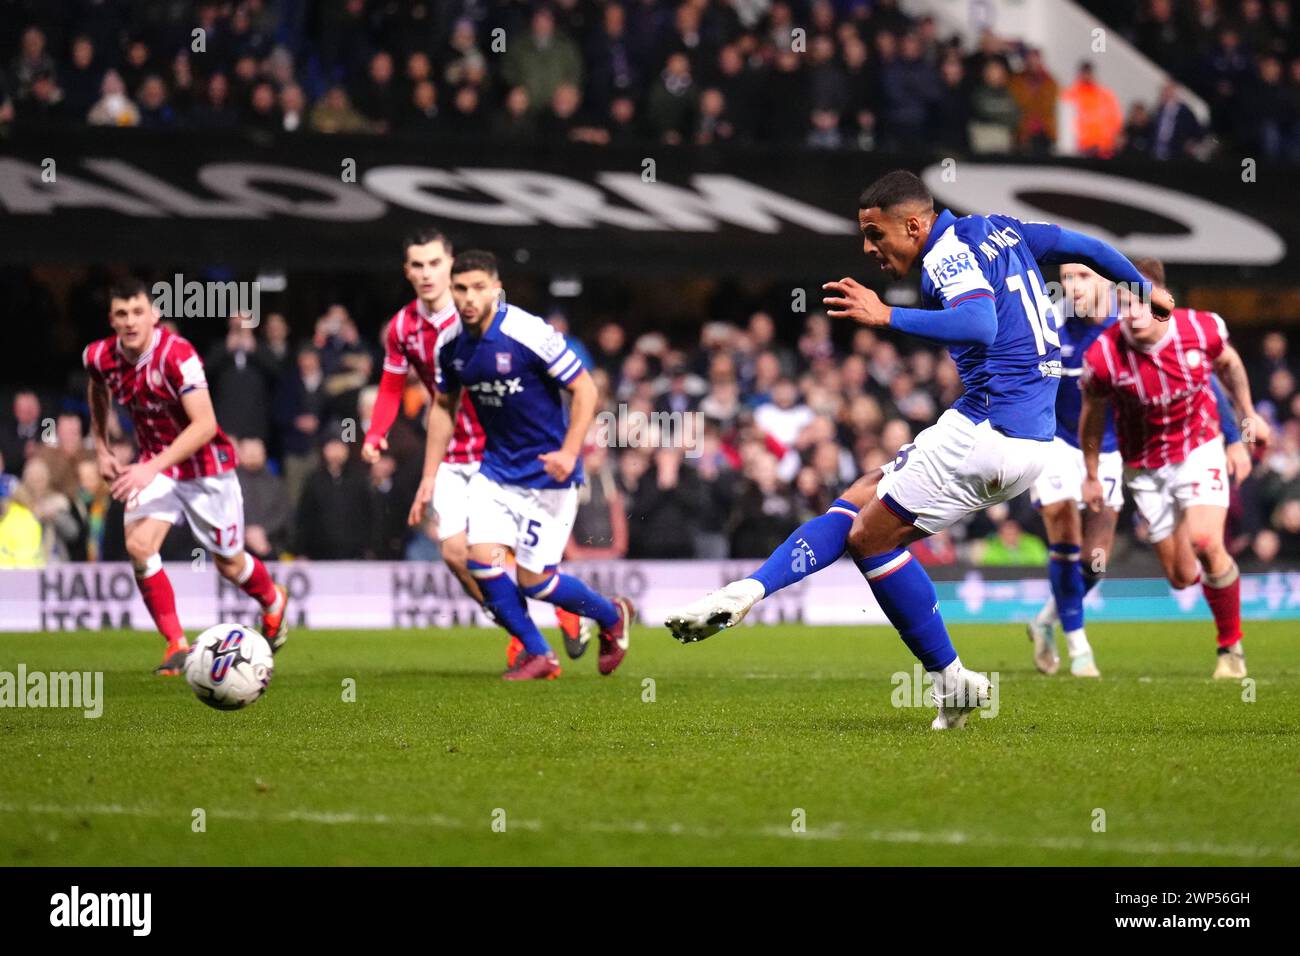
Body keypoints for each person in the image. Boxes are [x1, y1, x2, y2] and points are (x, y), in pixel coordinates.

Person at [665, 169, 1172, 729]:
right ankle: (938, 677)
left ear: (913, 224)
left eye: (874, 234)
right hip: (1030, 445)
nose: (868, 249)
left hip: (987, 429)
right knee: (865, 508)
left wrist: (887, 315)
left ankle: (761, 596)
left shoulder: (947, 252)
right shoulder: (1003, 230)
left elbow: (978, 323)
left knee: (866, 534)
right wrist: (1146, 290)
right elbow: (1089, 246)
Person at [361, 228, 586, 665]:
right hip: (449, 451)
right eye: (417, 265)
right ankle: (520, 631)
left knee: (509, 552)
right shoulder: (403, 327)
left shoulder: (478, 318)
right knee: (454, 553)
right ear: (406, 271)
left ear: (450, 265)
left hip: (495, 447)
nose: (427, 274)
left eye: (435, 264)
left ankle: (562, 605)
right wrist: (375, 432)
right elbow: (391, 386)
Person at [408, 250, 632, 681]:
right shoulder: (449, 344)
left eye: (478, 288)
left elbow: (585, 390)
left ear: (496, 288)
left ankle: (611, 615)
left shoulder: (529, 333)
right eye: (460, 288)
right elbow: (443, 406)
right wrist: (429, 475)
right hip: (495, 470)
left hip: (547, 473)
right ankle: (539, 654)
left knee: (537, 582)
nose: (469, 298)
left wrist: (570, 452)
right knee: (482, 563)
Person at [84, 278, 289, 675]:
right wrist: (101, 445)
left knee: (229, 564)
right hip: (156, 468)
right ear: (111, 319)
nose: (130, 321)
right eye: (122, 314)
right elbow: (97, 388)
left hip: (204, 468)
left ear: (154, 315)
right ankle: (176, 644)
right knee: (141, 546)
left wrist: (149, 467)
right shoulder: (99, 356)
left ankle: (273, 601)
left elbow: (205, 424)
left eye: (138, 312)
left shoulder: (178, 356)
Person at [1080, 258, 1269, 679]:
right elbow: (1091, 415)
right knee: (1183, 577)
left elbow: (1231, 366)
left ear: (1164, 300)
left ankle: (1230, 651)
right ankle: (1200, 544)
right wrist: (1091, 473)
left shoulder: (1201, 328)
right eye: (1124, 303)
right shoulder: (1104, 355)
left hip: (1199, 448)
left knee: (1205, 540)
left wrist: (1246, 418)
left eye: (1142, 302)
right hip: (1145, 471)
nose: (1133, 313)